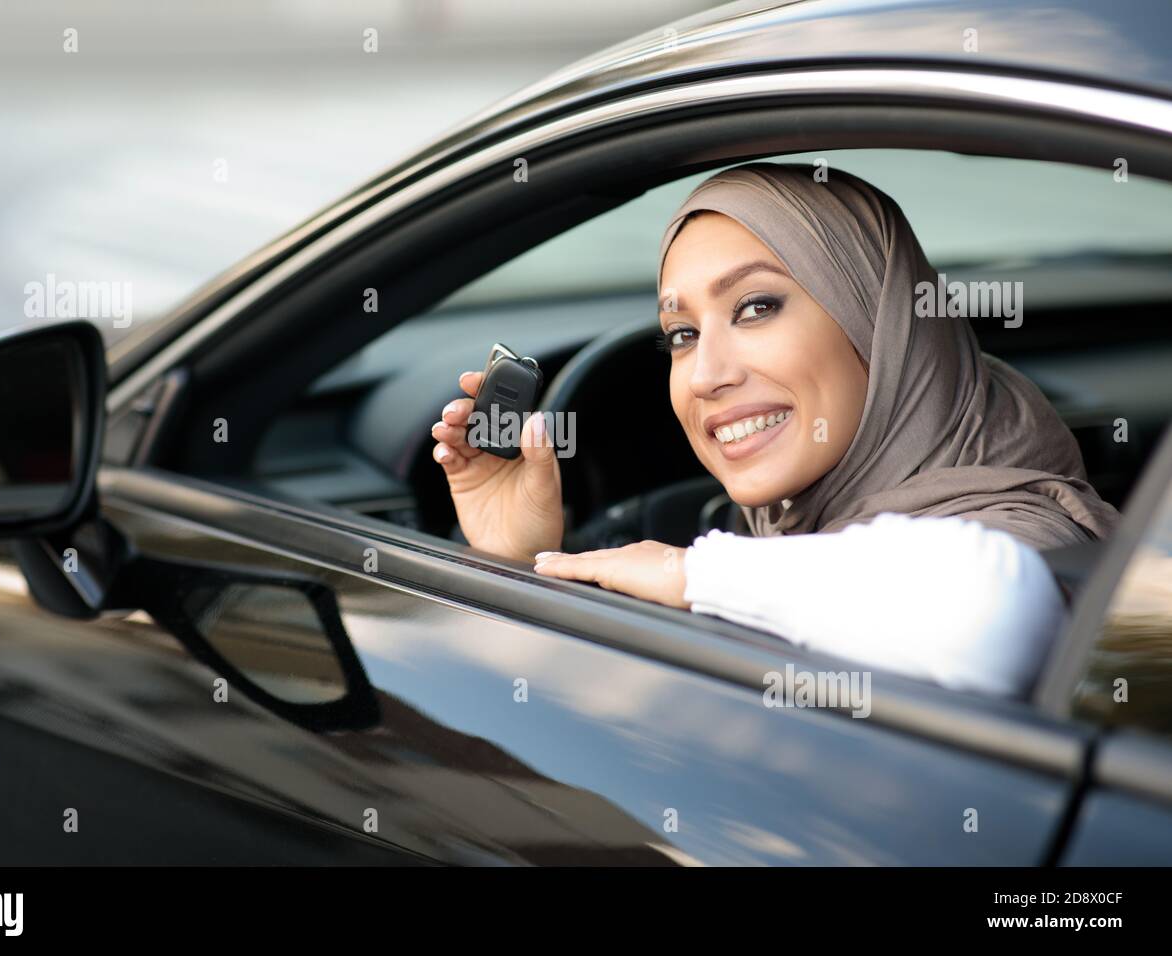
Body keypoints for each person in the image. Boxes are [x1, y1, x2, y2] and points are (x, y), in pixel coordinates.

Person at [429, 163, 1120, 697]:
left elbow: (986, 611)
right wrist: (521, 564)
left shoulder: (1026, 537)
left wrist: (688, 574)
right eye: (682, 334)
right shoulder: (786, 528)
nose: (706, 374)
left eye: (757, 307)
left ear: (876, 325)